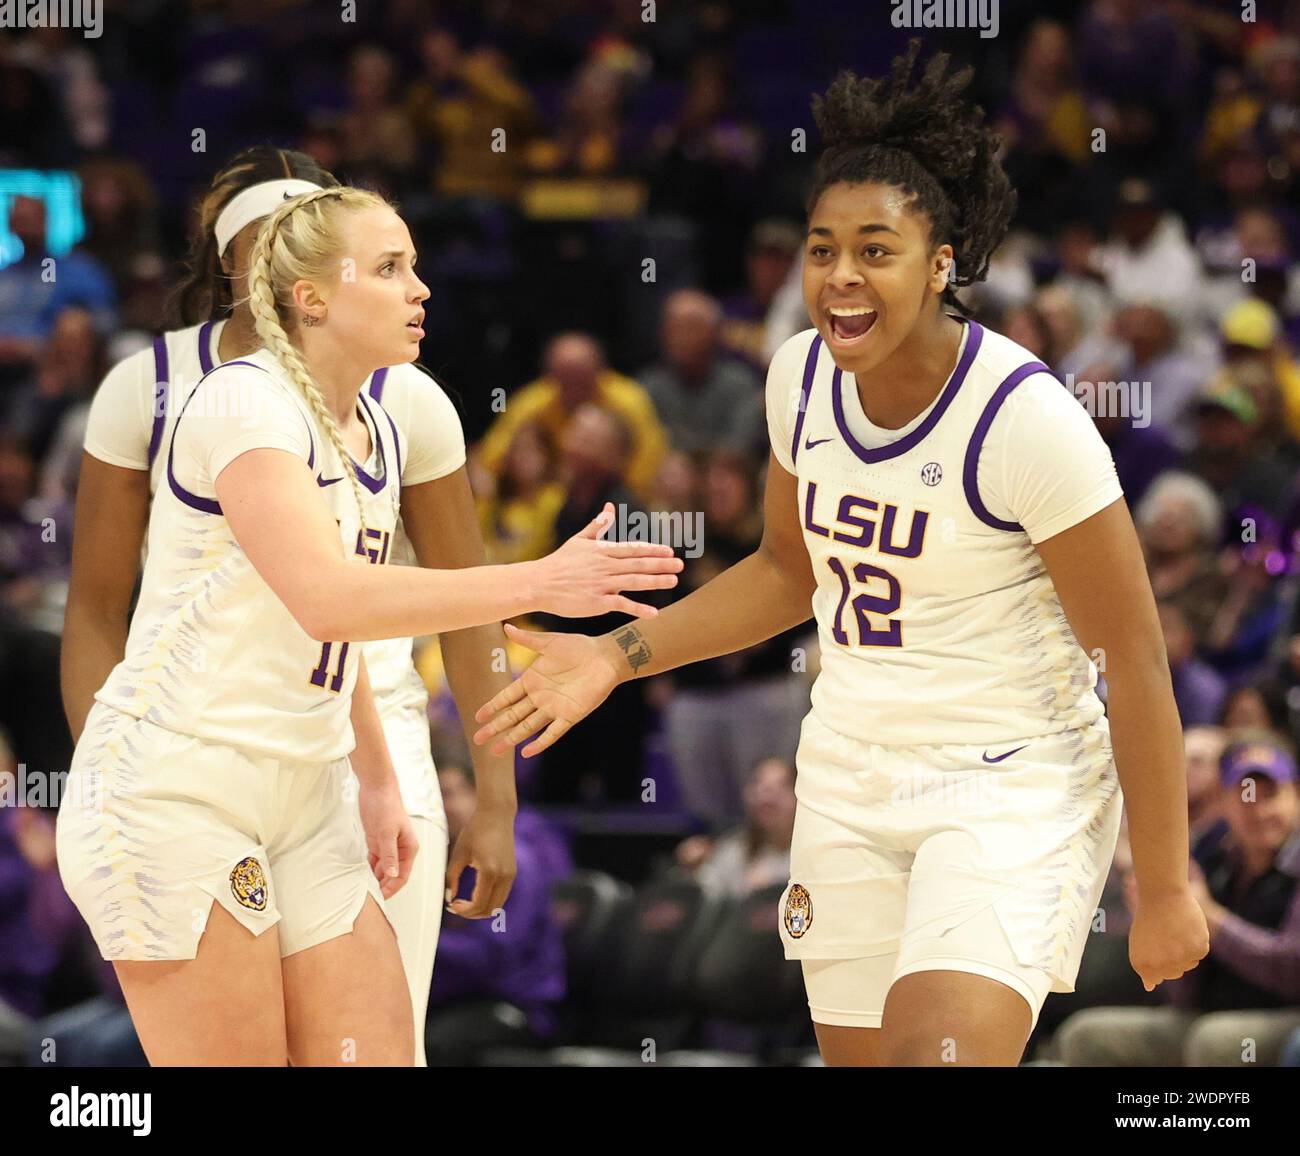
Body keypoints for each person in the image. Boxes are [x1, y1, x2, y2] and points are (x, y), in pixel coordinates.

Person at [474, 43, 1209, 1067]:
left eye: (875, 249)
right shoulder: (798, 380)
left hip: (1005, 777)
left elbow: (1131, 658)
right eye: (822, 250)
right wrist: (613, 654)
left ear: (941, 261)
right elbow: (787, 573)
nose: (840, 276)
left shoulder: (1024, 417)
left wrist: (1165, 885)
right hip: (851, 772)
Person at [54, 181, 680, 1066]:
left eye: (416, 266)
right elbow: (331, 597)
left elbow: (331, 638)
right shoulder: (244, 403)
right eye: (390, 269)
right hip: (177, 786)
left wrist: (377, 775)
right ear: (311, 296)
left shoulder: (380, 427)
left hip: (309, 787)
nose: (421, 288)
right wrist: (537, 579)